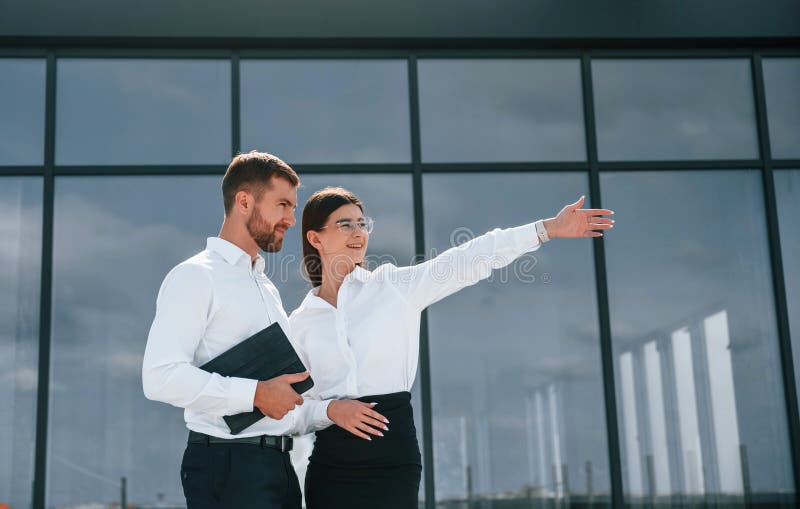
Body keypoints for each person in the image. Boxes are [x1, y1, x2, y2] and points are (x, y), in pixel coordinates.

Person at [289, 187, 615, 509]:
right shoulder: (300, 323)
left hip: (391, 459)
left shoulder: (393, 288)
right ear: (316, 238)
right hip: (331, 467)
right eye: (345, 224)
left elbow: (469, 258)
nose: (358, 232)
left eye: (363, 224)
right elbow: (289, 411)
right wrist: (329, 410)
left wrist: (547, 229)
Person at [141, 152, 386, 509]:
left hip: (277, 467)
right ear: (244, 201)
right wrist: (254, 394)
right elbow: (159, 377)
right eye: (283, 205)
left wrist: (328, 410)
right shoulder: (196, 276)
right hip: (228, 466)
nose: (291, 219)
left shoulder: (264, 286)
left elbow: (280, 398)